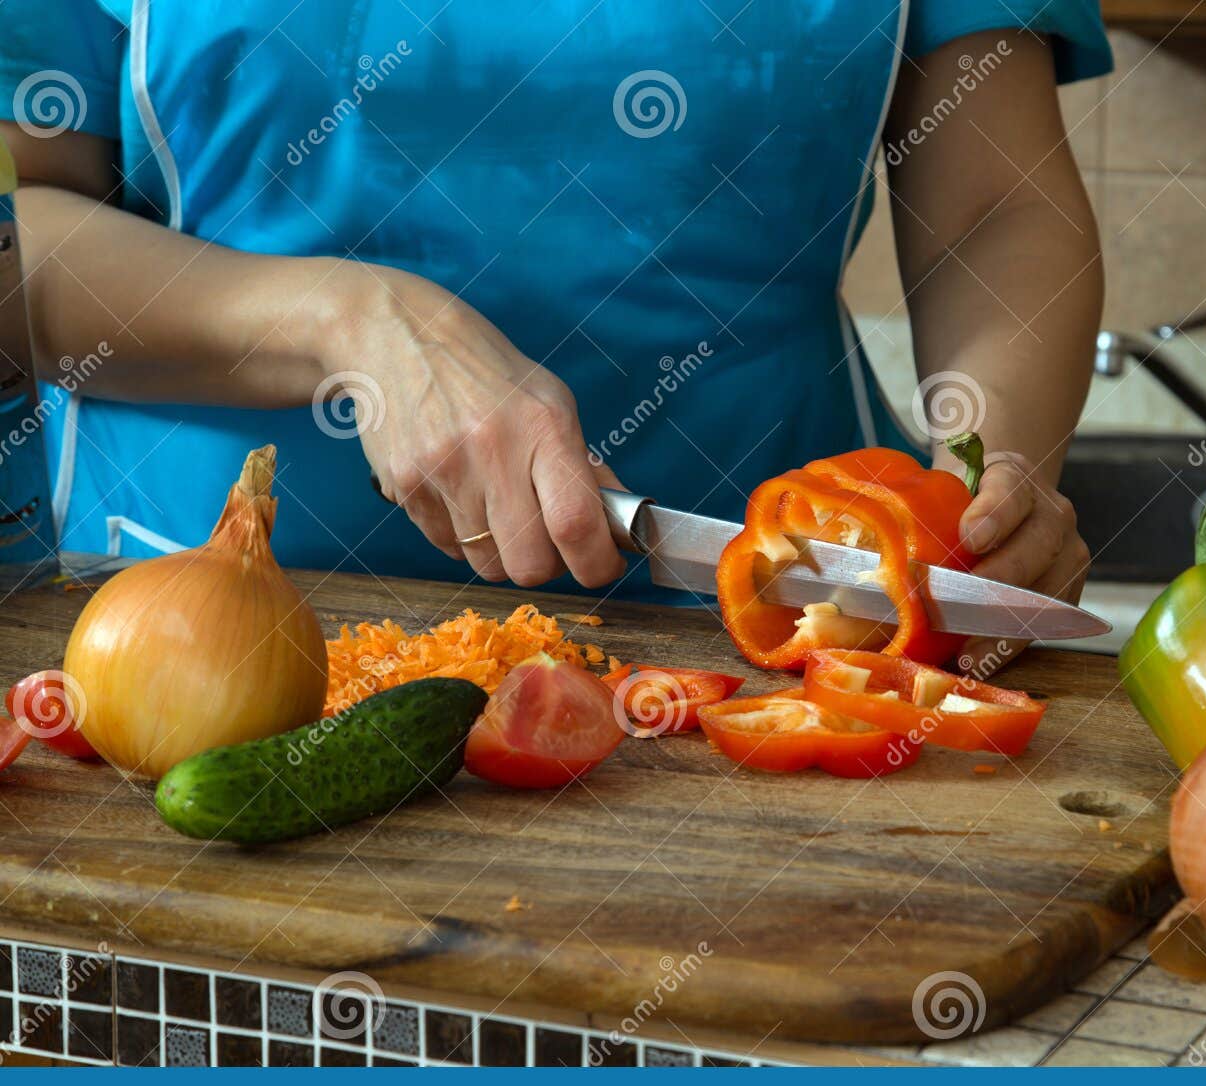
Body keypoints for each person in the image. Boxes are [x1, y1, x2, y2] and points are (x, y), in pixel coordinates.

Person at [0, 2, 1106, 647]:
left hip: (769, 630)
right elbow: (26, 226)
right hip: (187, 627)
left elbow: (994, 209)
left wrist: (987, 480)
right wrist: (354, 322)